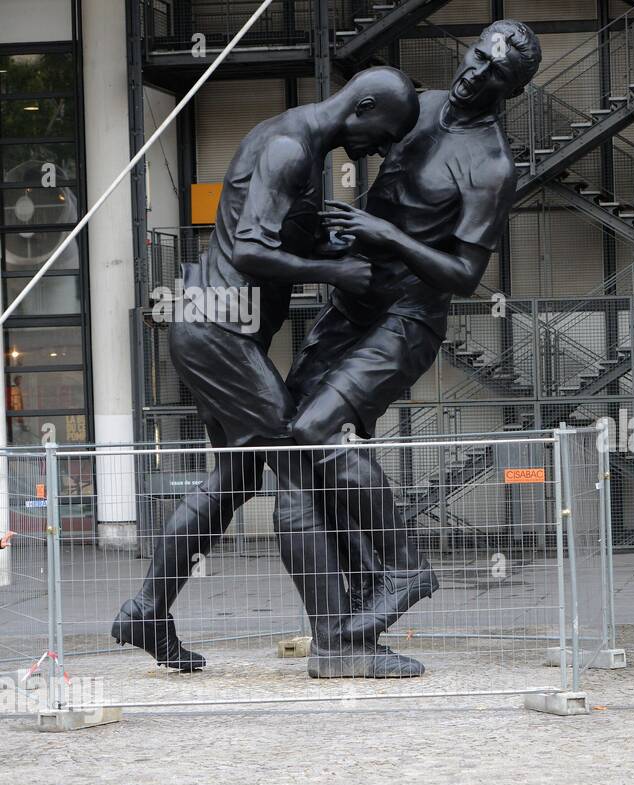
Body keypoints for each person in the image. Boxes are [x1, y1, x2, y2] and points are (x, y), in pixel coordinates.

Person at [111, 67, 421, 674]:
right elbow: (250, 249)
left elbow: (265, 243)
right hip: (219, 334)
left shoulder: (300, 148)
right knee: (302, 466)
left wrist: (329, 245)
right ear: (362, 107)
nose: (380, 150)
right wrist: (334, 272)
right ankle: (337, 645)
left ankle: (147, 609)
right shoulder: (289, 148)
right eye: (384, 134)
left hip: (212, 331)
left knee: (235, 478)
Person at [274, 19, 542, 668]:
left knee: (311, 433)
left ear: (512, 90)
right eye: (478, 56)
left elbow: (465, 276)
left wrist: (386, 235)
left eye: (496, 72)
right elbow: (351, 133)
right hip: (353, 300)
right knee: (291, 452)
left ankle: (402, 567)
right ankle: (341, 633)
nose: (477, 72)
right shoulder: (417, 105)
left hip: (406, 320)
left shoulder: (491, 165)